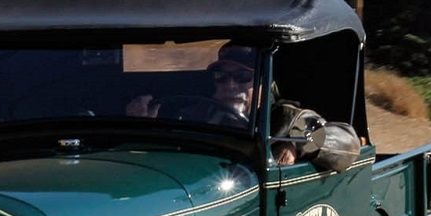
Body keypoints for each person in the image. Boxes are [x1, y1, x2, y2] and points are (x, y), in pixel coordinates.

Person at [126, 43, 304, 164]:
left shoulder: (284, 116)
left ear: (263, 85)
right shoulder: (196, 115)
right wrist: (144, 125)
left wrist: (292, 145)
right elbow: (173, 152)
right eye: (221, 77)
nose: (230, 85)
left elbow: (320, 135)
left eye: (243, 77)